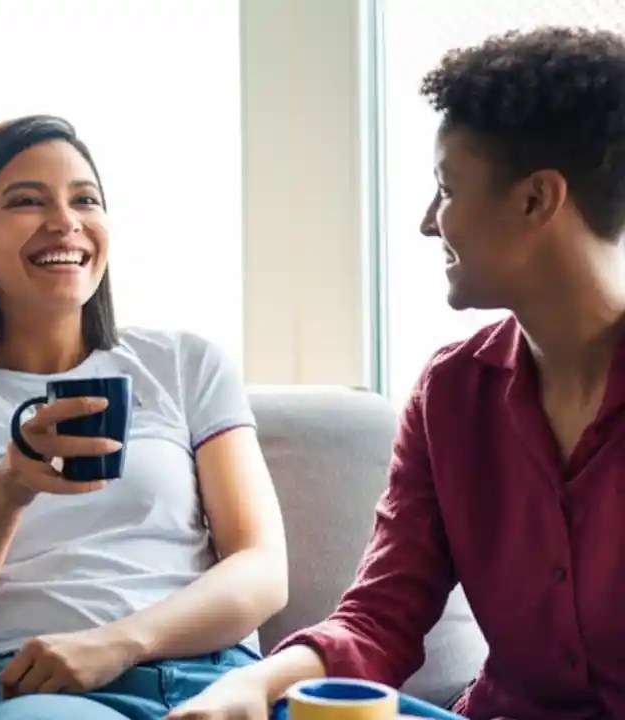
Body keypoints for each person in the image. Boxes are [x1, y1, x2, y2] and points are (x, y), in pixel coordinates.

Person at [168, 26, 625, 720]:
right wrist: (249, 686)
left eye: (446, 189)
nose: (425, 223)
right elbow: (381, 615)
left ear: (536, 201)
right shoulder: (451, 394)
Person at [0, 114, 290, 720]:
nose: (64, 221)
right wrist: (10, 488)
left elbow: (264, 569)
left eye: (84, 199)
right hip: (41, 689)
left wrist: (119, 643)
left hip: (221, 680)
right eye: (27, 201)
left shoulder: (183, 363)